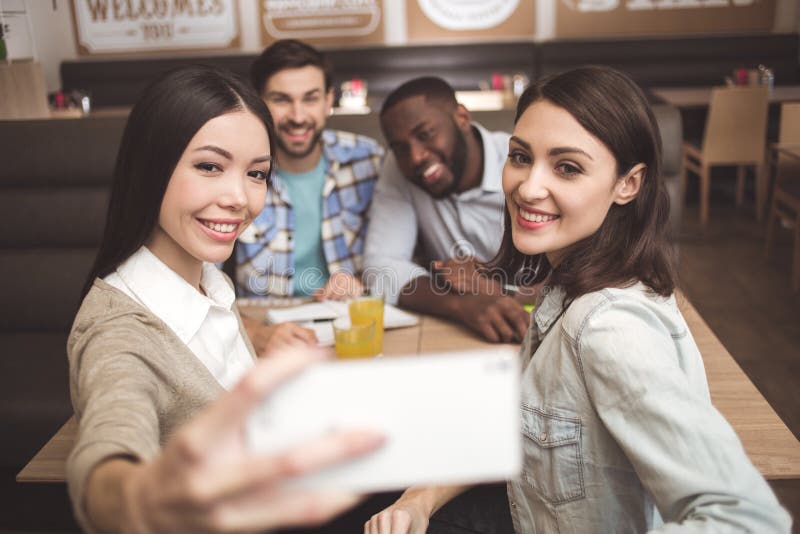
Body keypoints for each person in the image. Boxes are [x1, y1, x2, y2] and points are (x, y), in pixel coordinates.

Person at [366, 66, 792, 533]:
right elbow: (521, 420)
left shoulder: (610, 329)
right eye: (521, 157)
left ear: (628, 183)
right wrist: (419, 500)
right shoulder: (567, 281)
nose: (528, 187)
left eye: (567, 167)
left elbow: (745, 519)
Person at [67, 65, 384, 534]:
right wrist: (135, 500)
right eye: (209, 166)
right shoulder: (118, 331)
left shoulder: (209, 280)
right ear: (151, 165)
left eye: (256, 174)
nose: (240, 198)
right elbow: (109, 444)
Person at [235, 39, 384, 353]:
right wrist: (256, 334)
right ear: (258, 101)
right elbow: (194, 285)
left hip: (350, 322)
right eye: (281, 100)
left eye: (311, 98)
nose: (298, 116)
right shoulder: (234, 170)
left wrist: (364, 282)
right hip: (263, 328)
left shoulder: (368, 160)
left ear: (329, 99)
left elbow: (403, 252)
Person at [362, 77, 530, 344]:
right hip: (466, 333)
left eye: (425, 135)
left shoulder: (522, 161)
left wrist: (498, 289)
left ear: (462, 118)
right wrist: (461, 304)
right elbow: (380, 266)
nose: (415, 157)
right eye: (401, 148)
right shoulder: (399, 167)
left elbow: (582, 263)